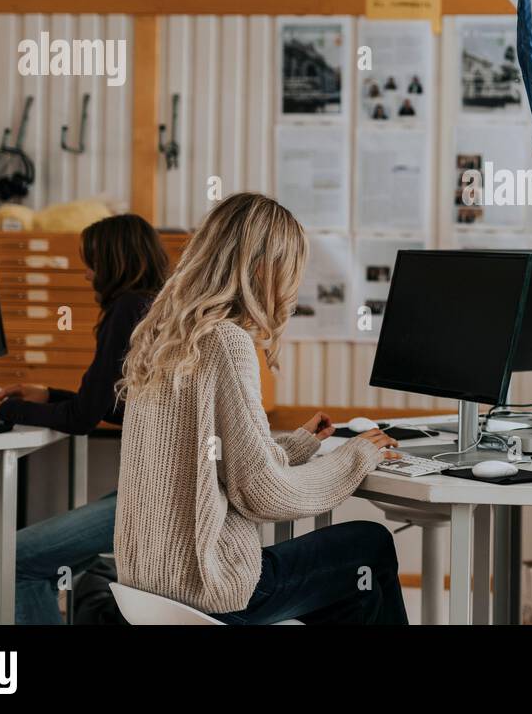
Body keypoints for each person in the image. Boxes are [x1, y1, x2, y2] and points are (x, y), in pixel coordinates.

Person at [114, 192, 407, 624]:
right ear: (263, 269)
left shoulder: (163, 334)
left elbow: (214, 460)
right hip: (213, 590)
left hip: (149, 585)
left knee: (350, 592)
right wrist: (356, 455)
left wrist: (299, 444)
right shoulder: (226, 342)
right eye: (290, 271)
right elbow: (260, 493)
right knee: (371, 547)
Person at [0, 214, 170, 624]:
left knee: (12, 561)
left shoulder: (127, 308)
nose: (85, 274)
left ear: (113, 262)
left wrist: (1, 410)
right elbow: (119, 406)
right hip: (163, 493)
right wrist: (47, 394)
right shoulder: (157, 306)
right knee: (37, 561)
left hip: (154, 500)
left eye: (90, 262)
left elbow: (84, 418)